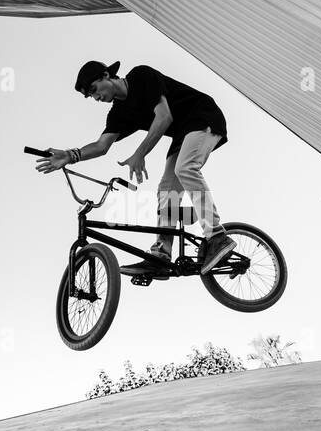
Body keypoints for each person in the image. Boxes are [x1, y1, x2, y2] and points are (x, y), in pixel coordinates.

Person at [35, 59, 236, 276]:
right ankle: (161, 255)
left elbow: (164, 117)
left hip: (203, 116)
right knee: (166, 189)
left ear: (105, 75)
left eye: (94, 90)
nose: (95, 98)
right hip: (182, 135)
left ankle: (217, 236)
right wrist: (69, 155)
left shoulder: (141, 76)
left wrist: (140, 154)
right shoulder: (119, 113)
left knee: (185, 168)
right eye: (90, 96)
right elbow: (102, 146)